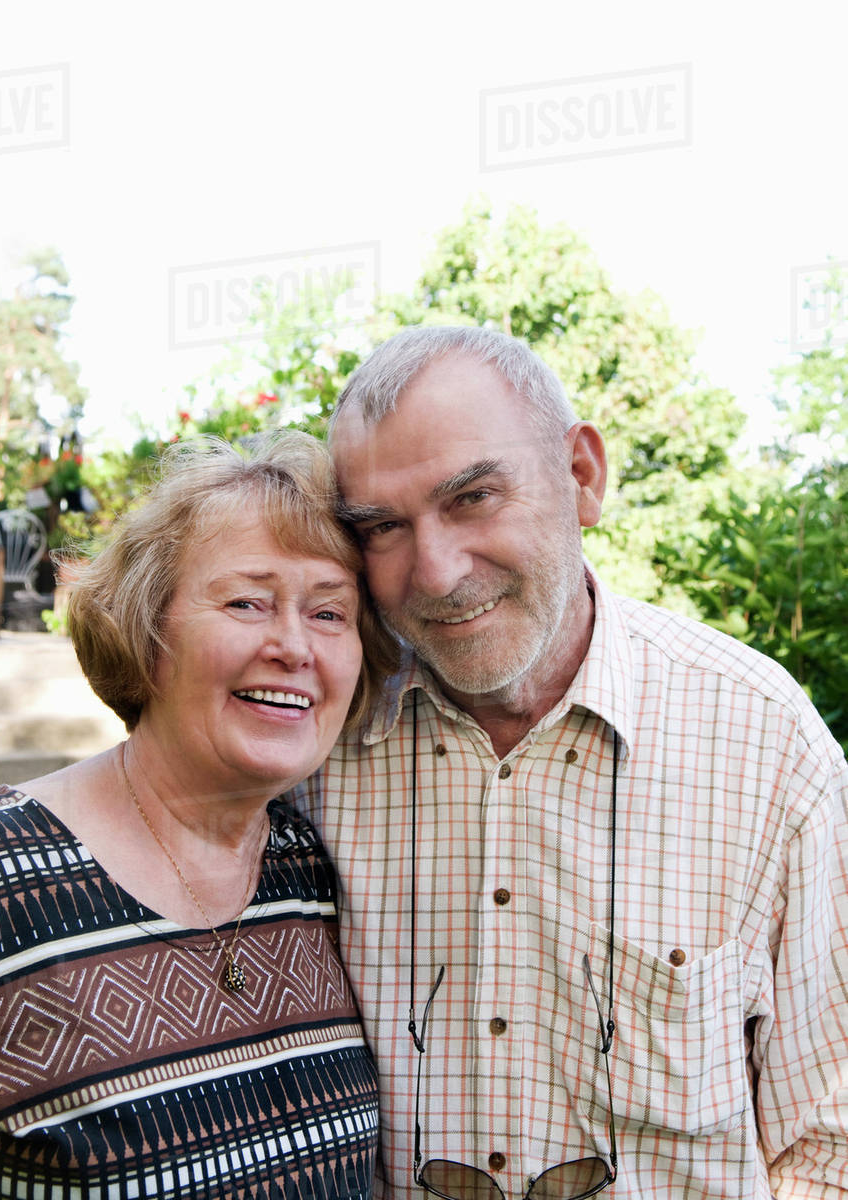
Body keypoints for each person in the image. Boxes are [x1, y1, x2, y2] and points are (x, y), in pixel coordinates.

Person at [286, 326, 848, 1199]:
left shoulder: (765, 742)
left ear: (582, 476)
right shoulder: (317, 749)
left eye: (472, 497)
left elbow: (826, 1143)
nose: (434, 571)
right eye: (383, 527)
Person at [0, 432, 397, 1200]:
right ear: (149, 630)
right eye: (246, 602)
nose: (295, 646)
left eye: (330, 613)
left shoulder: (318, 870)